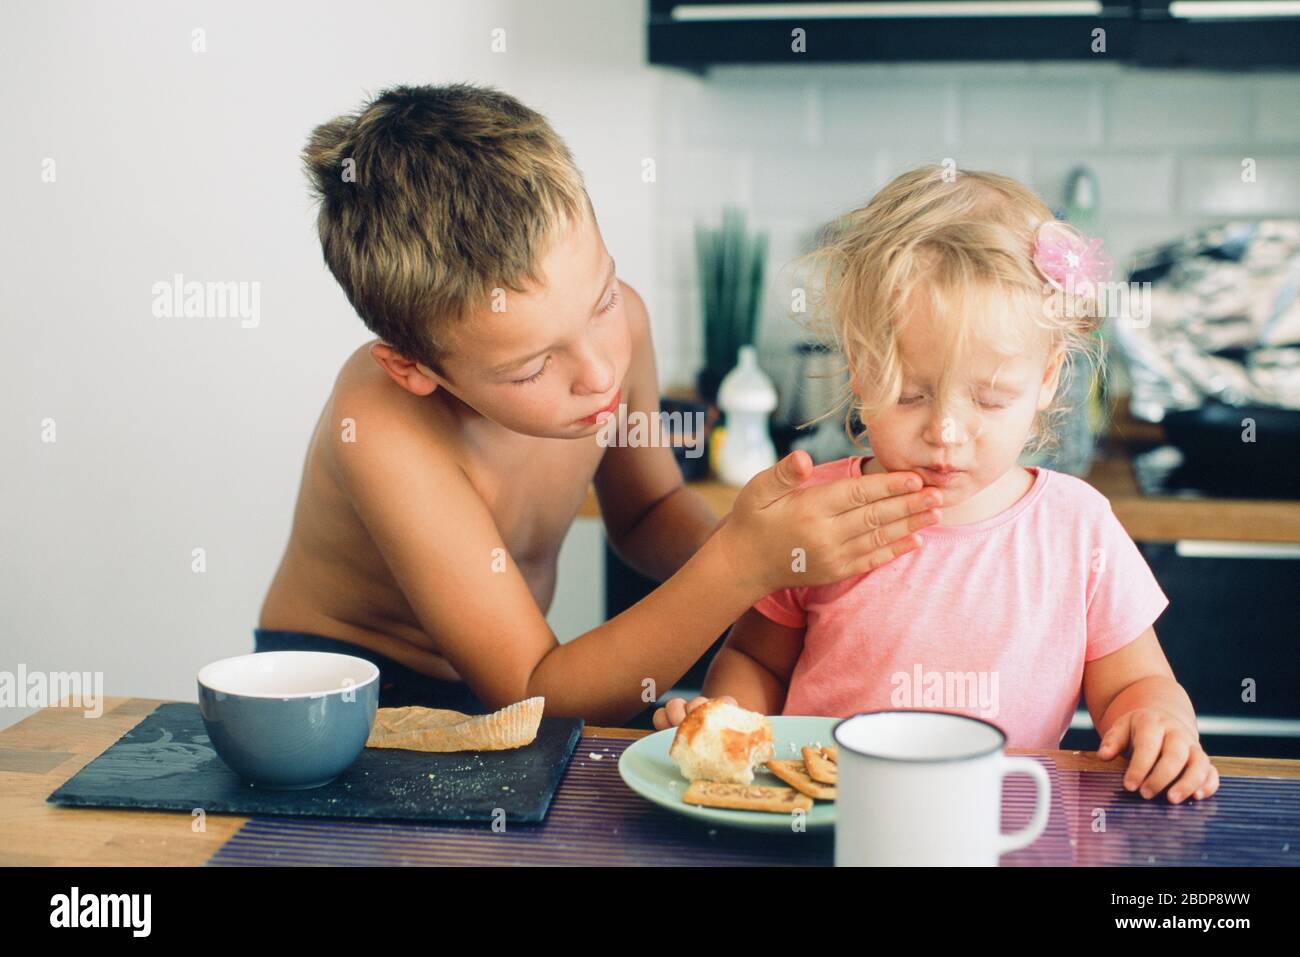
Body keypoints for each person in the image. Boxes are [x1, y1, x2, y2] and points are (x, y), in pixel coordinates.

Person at [654, 165, 1219, 804]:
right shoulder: (819, 517)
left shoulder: (1078, 527)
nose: (947, 432)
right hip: (829, 823)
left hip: (1004, 832)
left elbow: (1133, 685)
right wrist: (730, 716)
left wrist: (1160, 721)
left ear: (1047, 380)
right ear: (861, 373)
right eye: (911, 393)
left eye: (990, 397)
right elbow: (759, 662)